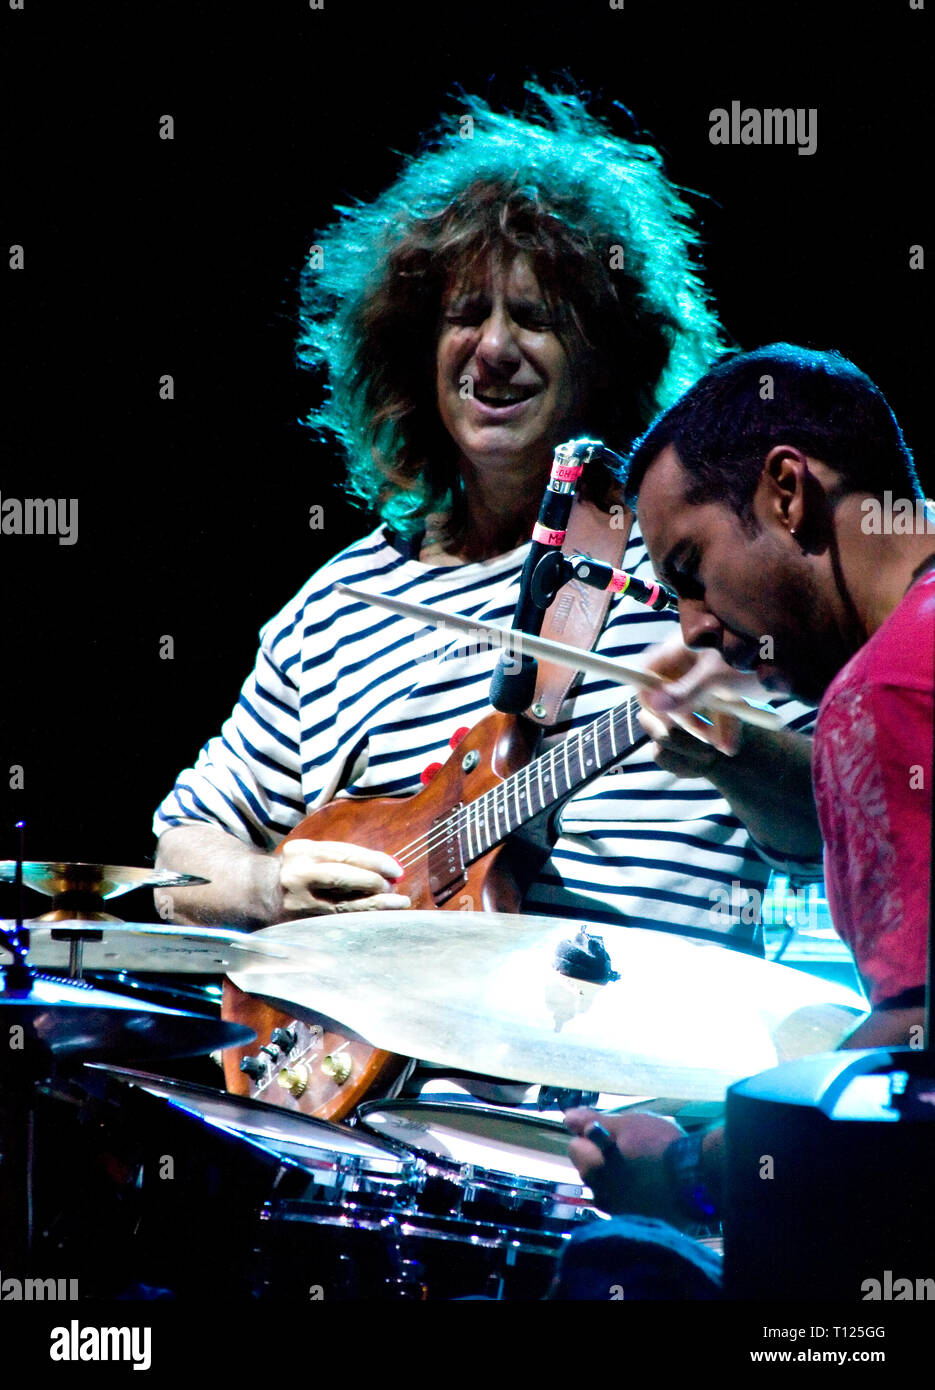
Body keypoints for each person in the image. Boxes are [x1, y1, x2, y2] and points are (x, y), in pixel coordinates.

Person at [152, 88, 821, 964]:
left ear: (610, 355)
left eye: (535, 319)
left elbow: (843, 819)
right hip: (373, 1093)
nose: (493, 349)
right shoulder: (335, 608)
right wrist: (264, 888)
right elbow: (176, 859)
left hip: (640, 1082)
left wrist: (736, 751)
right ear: (410, 350)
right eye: (465, 316)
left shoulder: (703, 572)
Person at [566, 343, 933, 1222]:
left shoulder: (881, 688)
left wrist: (691, 1169)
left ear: (786, 491)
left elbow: (909, 1064)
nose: (691, 630)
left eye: (689, 572)